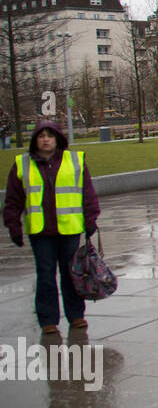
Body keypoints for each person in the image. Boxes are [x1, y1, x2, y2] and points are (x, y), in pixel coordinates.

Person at [5, 120, 101, 336]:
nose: (46, 139)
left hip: (69, 229)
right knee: (46, 274)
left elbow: (88, 193)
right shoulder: (23, 164)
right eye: (41, 135)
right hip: (41, 232)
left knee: (71, 274)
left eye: (50, 135)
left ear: (58, 138)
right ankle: (48, 319)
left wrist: (91, 219)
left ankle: (76, 315)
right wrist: (13, 225)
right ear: (35, 140)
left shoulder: (74, 160)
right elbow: (13, 199)